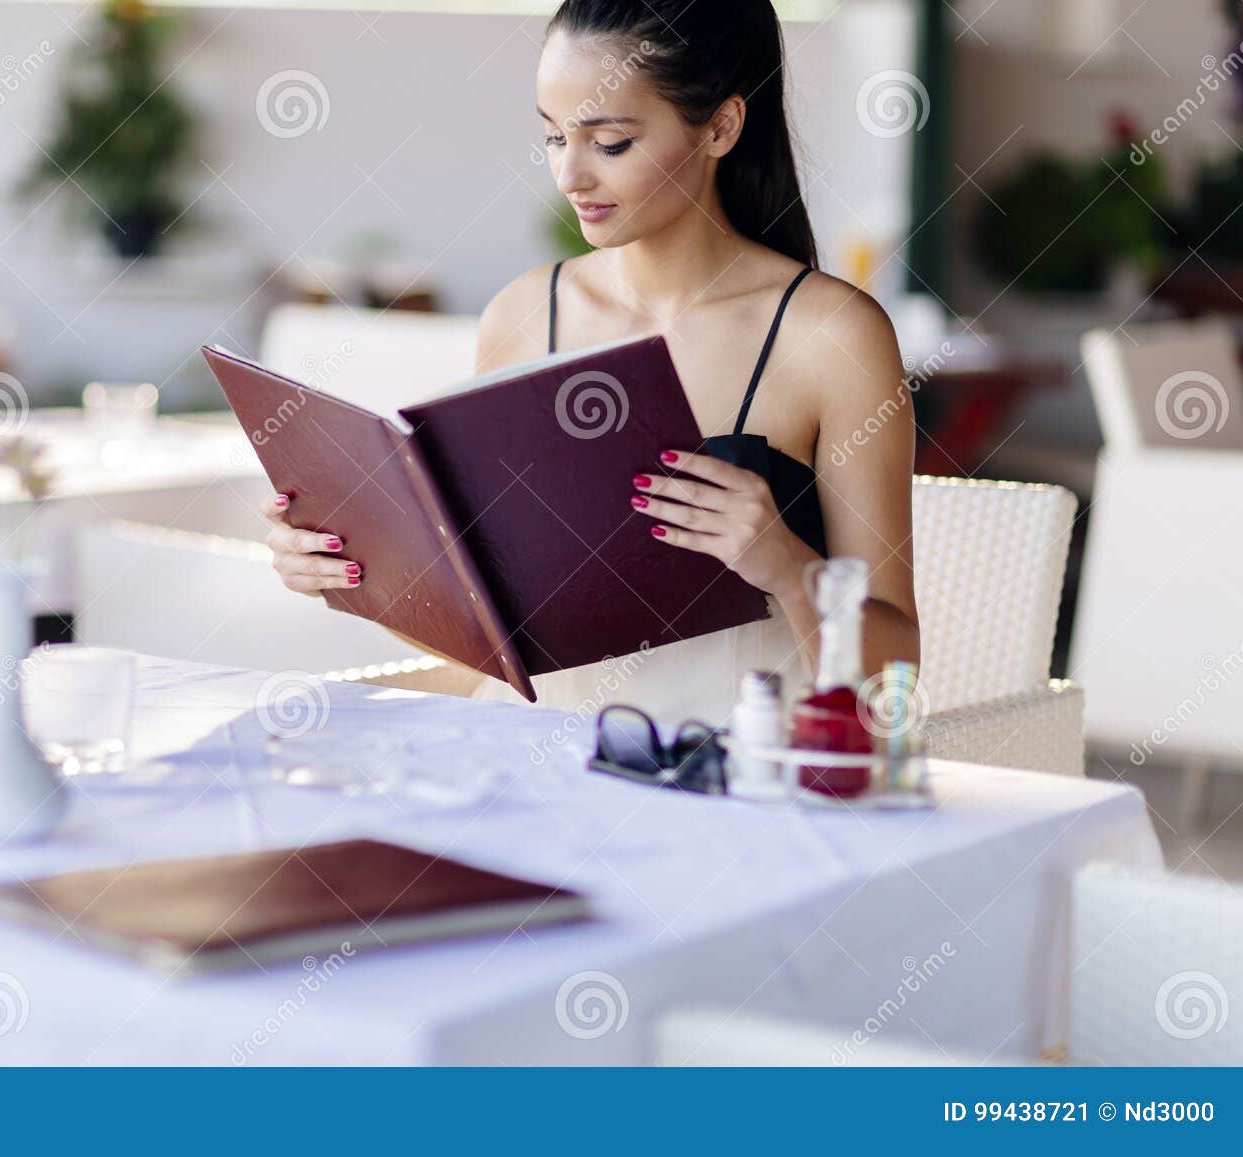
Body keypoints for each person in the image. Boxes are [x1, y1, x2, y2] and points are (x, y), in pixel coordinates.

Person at [262, 0, 919, 722]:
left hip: (739, 775)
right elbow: (492, 641)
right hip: (540, 759)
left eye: (608, 143)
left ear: (722, 126)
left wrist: (788, 567)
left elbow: (893, 678)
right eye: (551, 136)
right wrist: (357, 569)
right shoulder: (520, 317)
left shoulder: (830, 336)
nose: (570, 175)